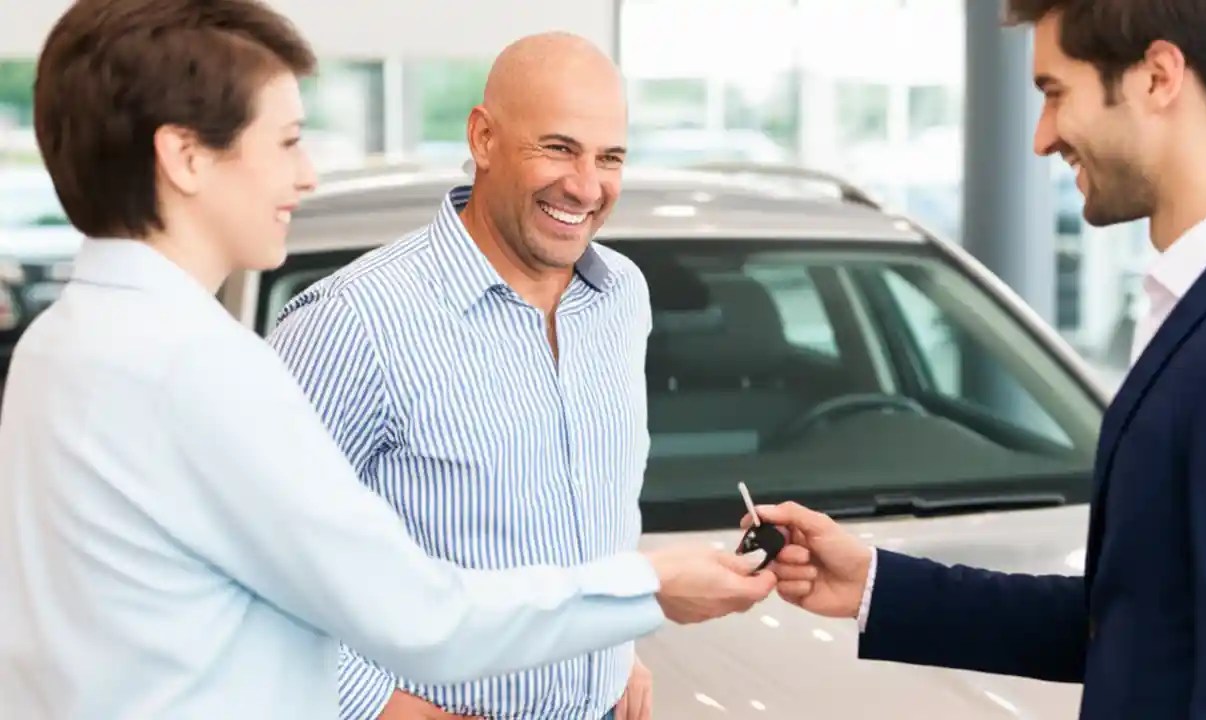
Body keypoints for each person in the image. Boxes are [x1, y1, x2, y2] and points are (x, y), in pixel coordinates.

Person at [0, 2, 778, 717]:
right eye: (288, 141)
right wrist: (649, 587)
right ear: (185, 157)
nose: (306, 174)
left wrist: (605, 655)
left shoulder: (58, 344)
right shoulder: (201, 366)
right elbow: (418, 615)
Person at [750, 0, 1206, 718]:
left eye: (1056, 92)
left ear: (1158, 77)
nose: (1041, 138)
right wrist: (875, 583)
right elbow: (1136, 619)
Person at [266, 31, 671, 720]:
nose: (585, 186)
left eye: (610, 158)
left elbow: (585, 516)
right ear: (483, 138)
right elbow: (260, 564)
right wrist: (387, 710)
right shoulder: (353, 322)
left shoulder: (623, 296)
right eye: (559, 148)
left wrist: (615, 647)